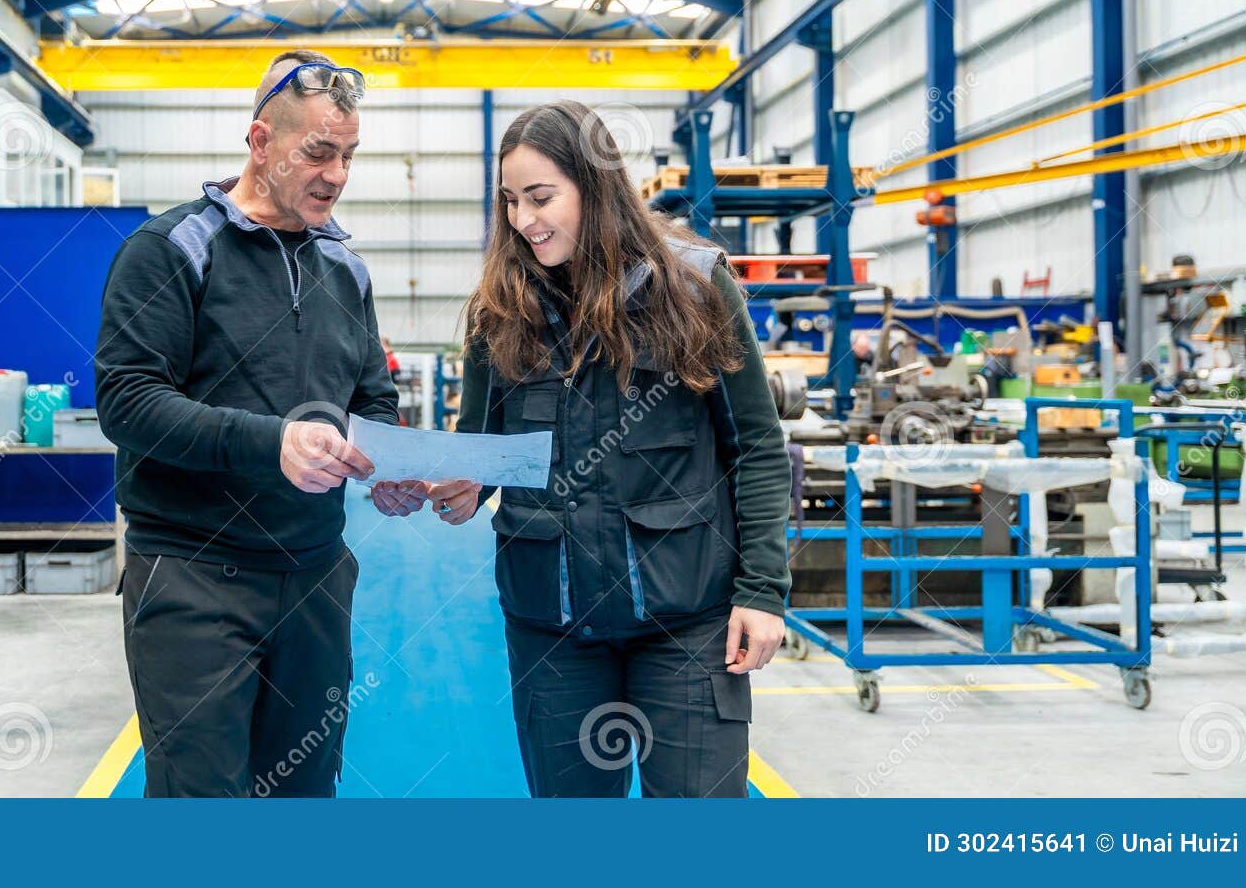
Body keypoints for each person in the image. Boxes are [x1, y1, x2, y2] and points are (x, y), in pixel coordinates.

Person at [94, 49, 469, 797]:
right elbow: (128, 400)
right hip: (195, 578)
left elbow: (370, 397)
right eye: (318, 152)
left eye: (349, 156)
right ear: (261, 142)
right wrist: (274, 443)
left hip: (314, 577)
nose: (336, 174)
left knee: (301, 798)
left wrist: (390, 463)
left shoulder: (345, 269)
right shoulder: (171, 251)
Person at [435, 100, 793, 798]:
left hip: (687, 624)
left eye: (541, 197)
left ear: (595, 189)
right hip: (553, 623)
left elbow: (754, 446)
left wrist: (762, 591)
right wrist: (455, 486)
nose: (522, 220)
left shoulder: (693, 287)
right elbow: (482, 452)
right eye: (510, 201)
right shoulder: (499, 312)